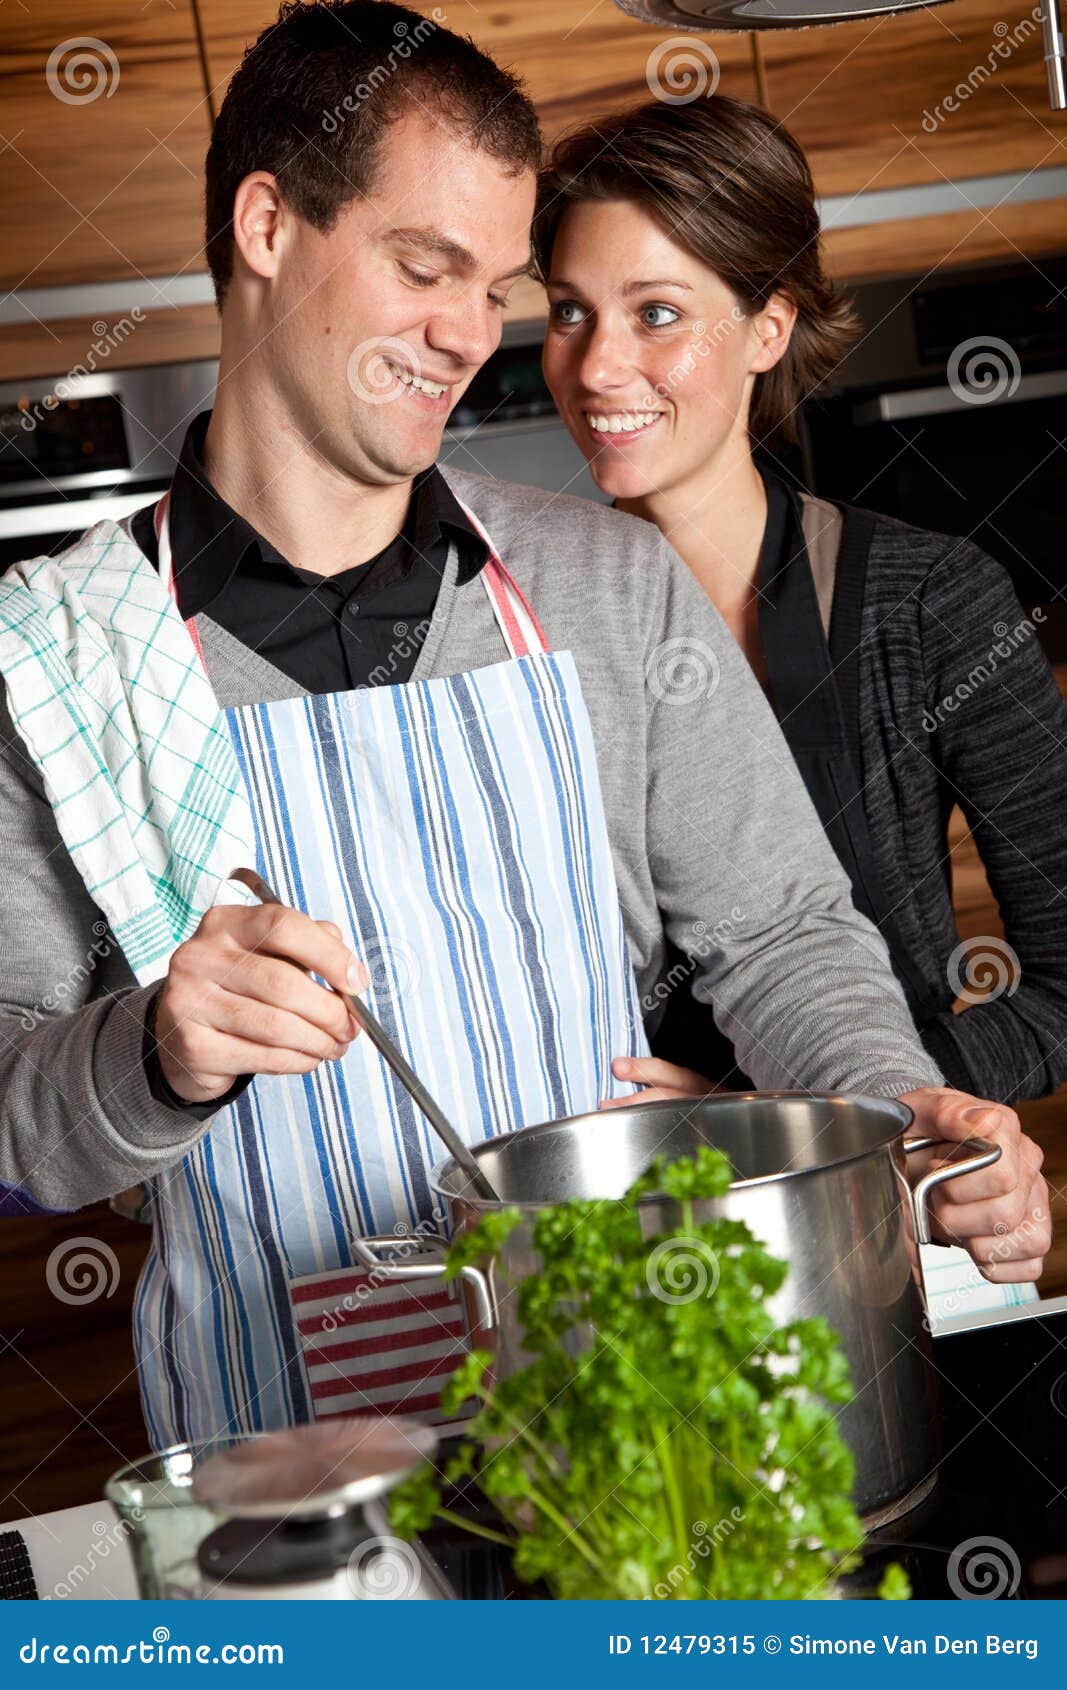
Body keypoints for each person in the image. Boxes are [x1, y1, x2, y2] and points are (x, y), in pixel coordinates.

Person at [0, 3, 1047, 1451]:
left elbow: (783, 934)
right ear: (264, 225)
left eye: (492, 283)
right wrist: (157, 1051)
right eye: (421, 267)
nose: (467, 334)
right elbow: (16, 1122)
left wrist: (894, 1121)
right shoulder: (60, 655)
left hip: (628, 1414)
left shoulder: (602, 584)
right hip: (303, 1474)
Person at [535, 93, 1067, 1127]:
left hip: (874, 1190)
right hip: (586, 1202)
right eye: (568, 310)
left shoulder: (929, 607)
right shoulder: (503, 617)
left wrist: (797, 1111)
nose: (595, 365)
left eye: (655, 313)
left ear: (766, 328)